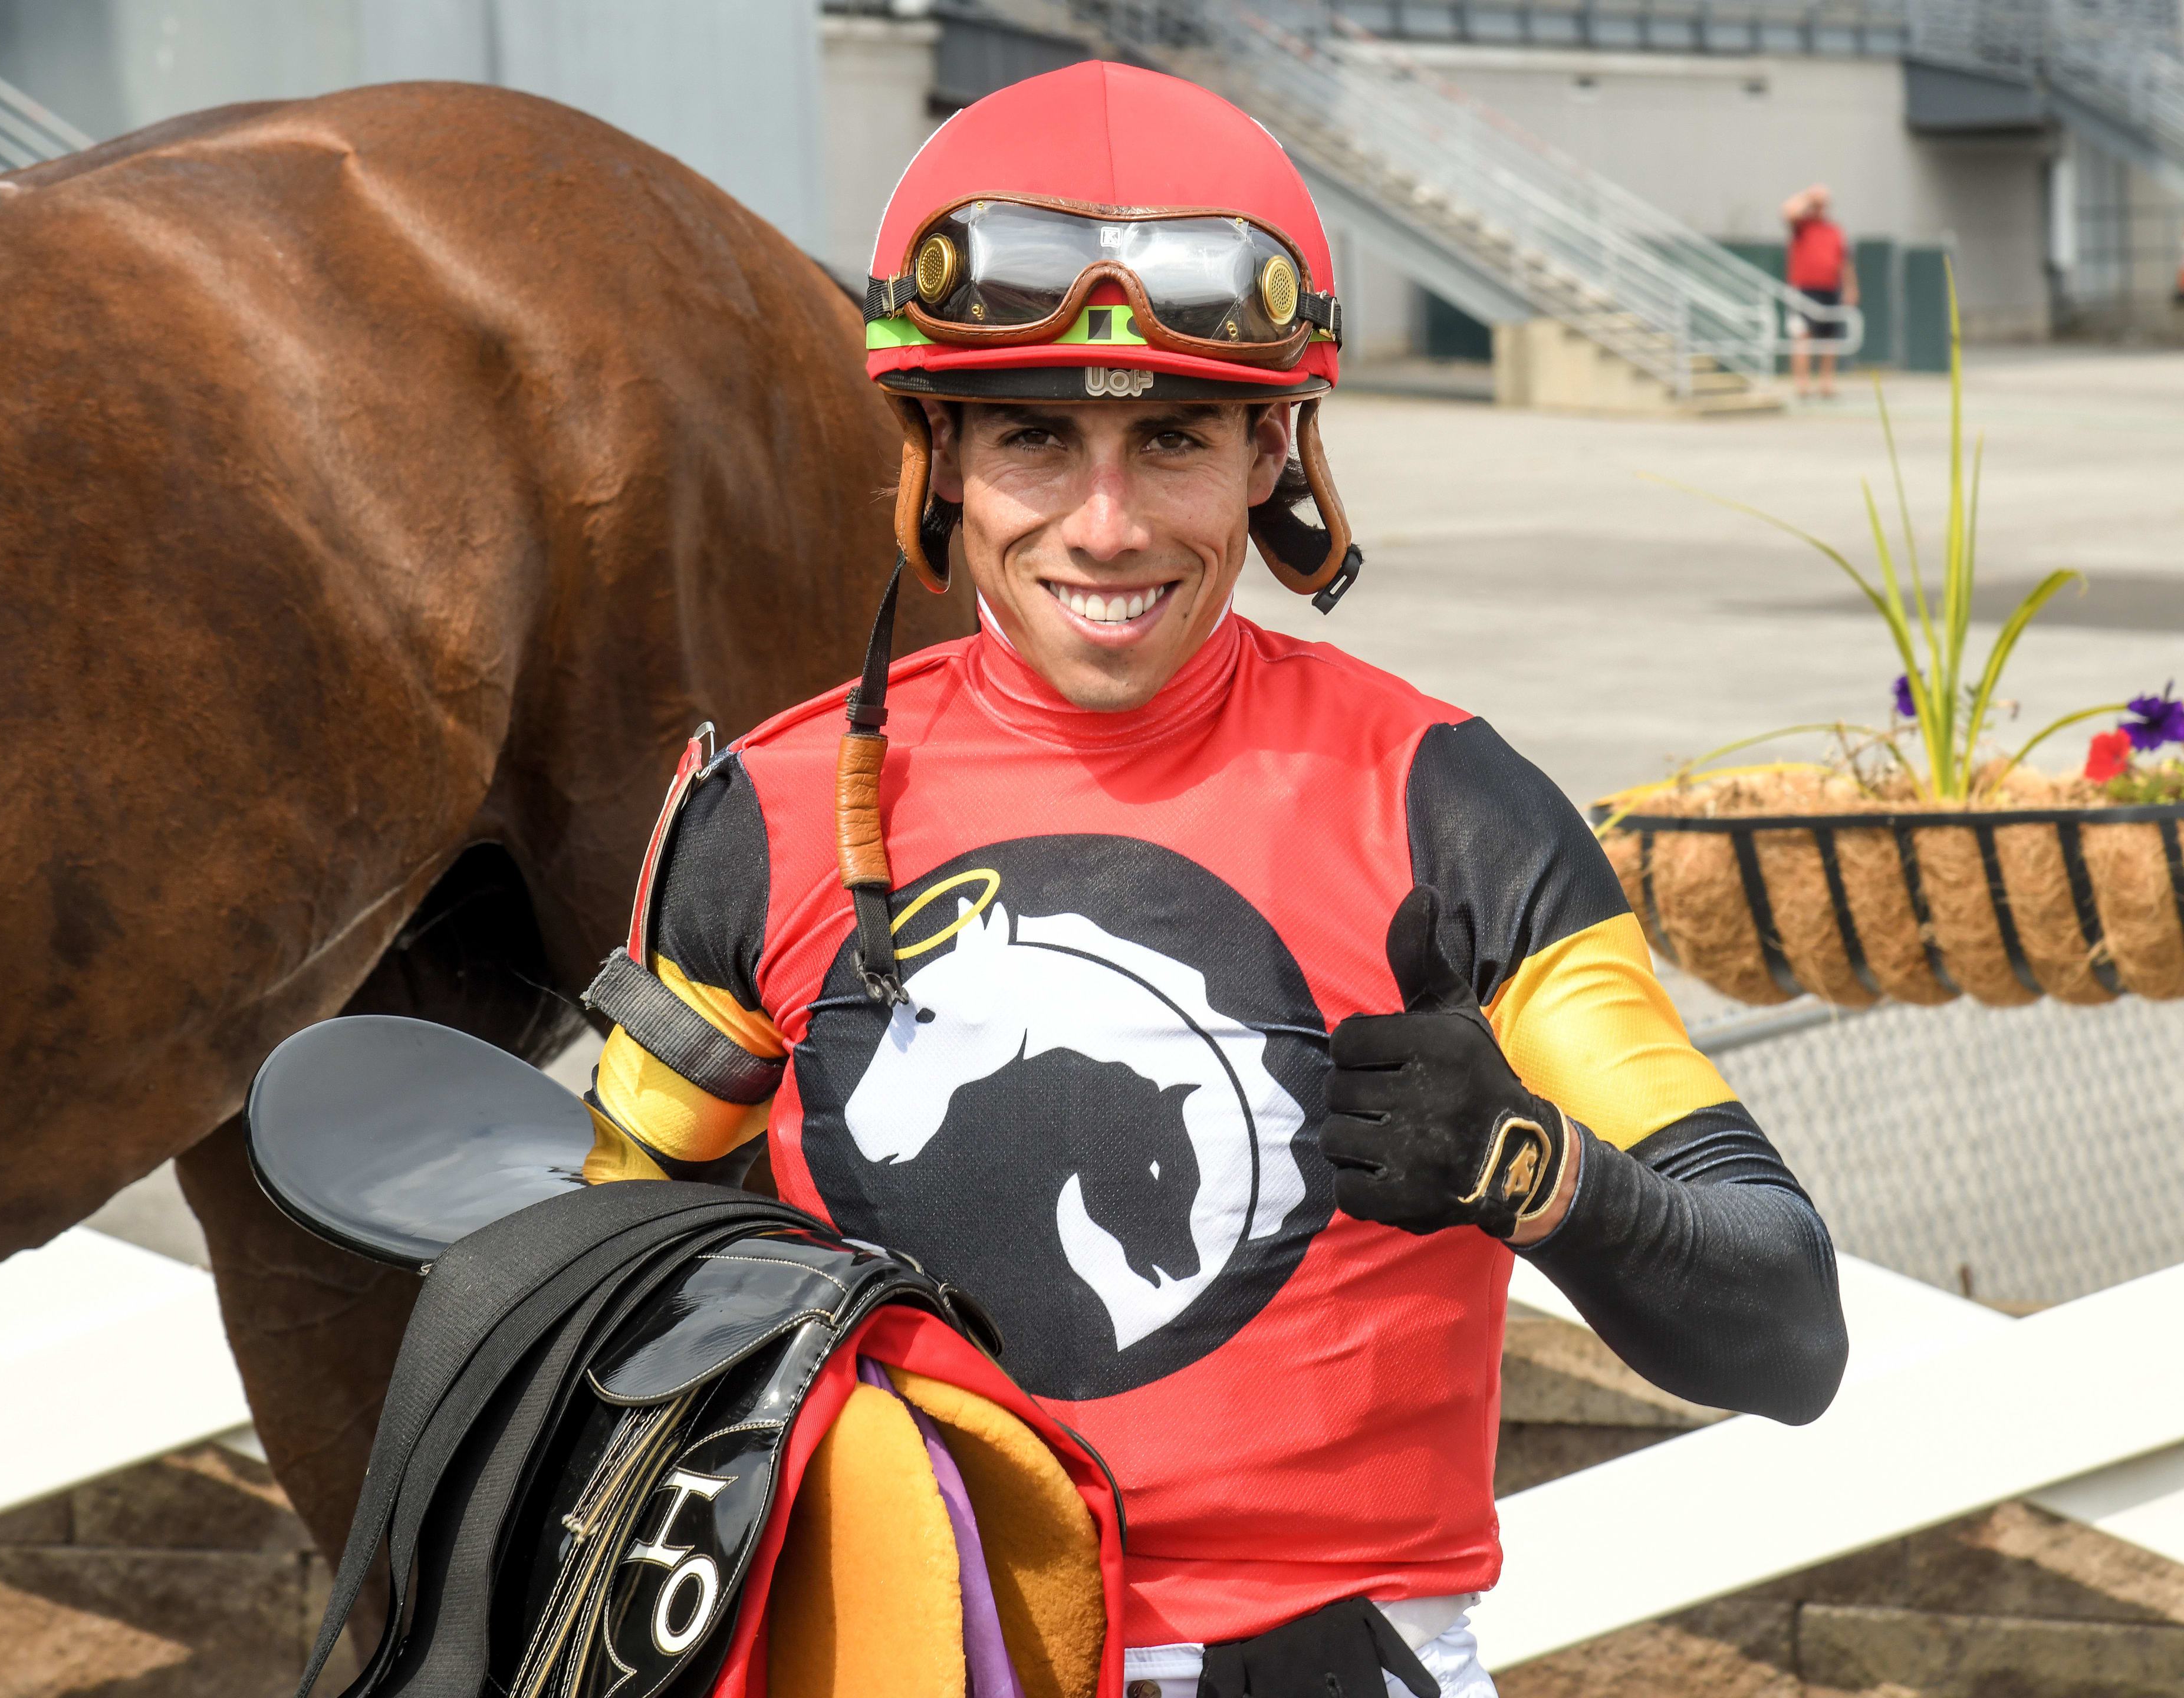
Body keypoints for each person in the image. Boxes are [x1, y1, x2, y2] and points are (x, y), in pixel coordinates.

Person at [580, 62, 1848, 1698]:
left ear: (1273, 453)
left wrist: (1538, 1176)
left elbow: (1785, 1324)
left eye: (1172, 439)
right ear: (938, 453)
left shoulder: (1450, 809)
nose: (1106, 527)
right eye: (1036, 438)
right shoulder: (759, 815)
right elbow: (608, 1308)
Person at [1784, 183, 1857, 399]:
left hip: (1830, 288)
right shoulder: (1801, 226)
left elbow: (1845, 262)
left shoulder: (1835, 230)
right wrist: (1809, 196)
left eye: (1823, 205)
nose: (1820, 209)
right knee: (1802, 336)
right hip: (1804, 289)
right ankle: (1803, 385)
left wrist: (1851, 288)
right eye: (1817, 205)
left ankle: (1826, 384)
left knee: (1829, 338)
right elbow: (1788, 211)